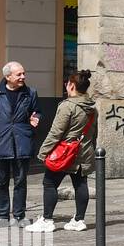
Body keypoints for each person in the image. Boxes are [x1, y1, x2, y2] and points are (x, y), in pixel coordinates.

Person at [30, 70, 98, 233]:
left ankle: (47, 219)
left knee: (49, 183)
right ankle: (79, 220)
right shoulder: (92, 108)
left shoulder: (67, 106)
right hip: (84, 152)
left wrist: (43, 152)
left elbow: (56, 132)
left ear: (72, 85)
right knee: (81, 184)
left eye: (67, 83)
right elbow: (94, 132)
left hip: (65, 154)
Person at [0, 62, 41, 226]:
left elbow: (37, 111)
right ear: (8, 77)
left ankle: (19, 216)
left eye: (23, 73)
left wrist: (36, 119)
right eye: (19, 74)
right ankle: (4, 216)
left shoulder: (30, 93)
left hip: (22, 142)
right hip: (1, 142)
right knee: (1, 182)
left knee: (20, 181)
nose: (23, 77)